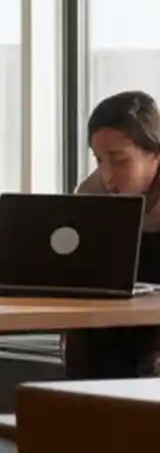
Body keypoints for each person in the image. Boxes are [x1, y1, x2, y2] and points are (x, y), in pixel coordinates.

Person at [64, 90, 160, 379]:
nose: (107, 175)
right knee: (87, 337)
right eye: (99, 160)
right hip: (117, 323)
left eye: (119, 161)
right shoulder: (93, 193)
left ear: (155, 153)